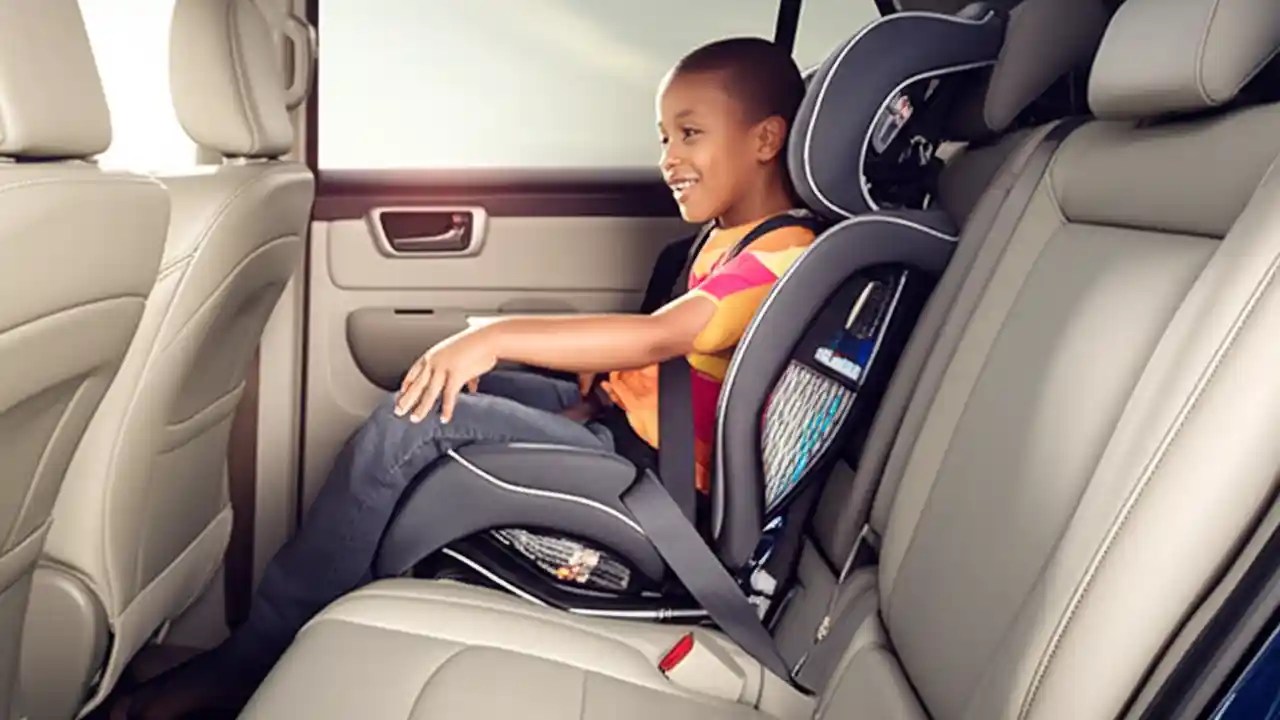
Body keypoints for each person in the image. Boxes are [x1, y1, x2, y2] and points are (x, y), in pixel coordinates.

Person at [110, 36, 815, 719]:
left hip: (656, 478)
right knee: (441, 389)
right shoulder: (730, 235)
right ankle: (314, 613)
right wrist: (549, 368)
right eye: (663, 137)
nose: (669, 158)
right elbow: (677, 357)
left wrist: (496, 336)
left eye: (690, 133)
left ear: (764, 140)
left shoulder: (785, 253)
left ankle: (256, 654)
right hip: (628, 428)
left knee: (417, 420)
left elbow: (667, 334)